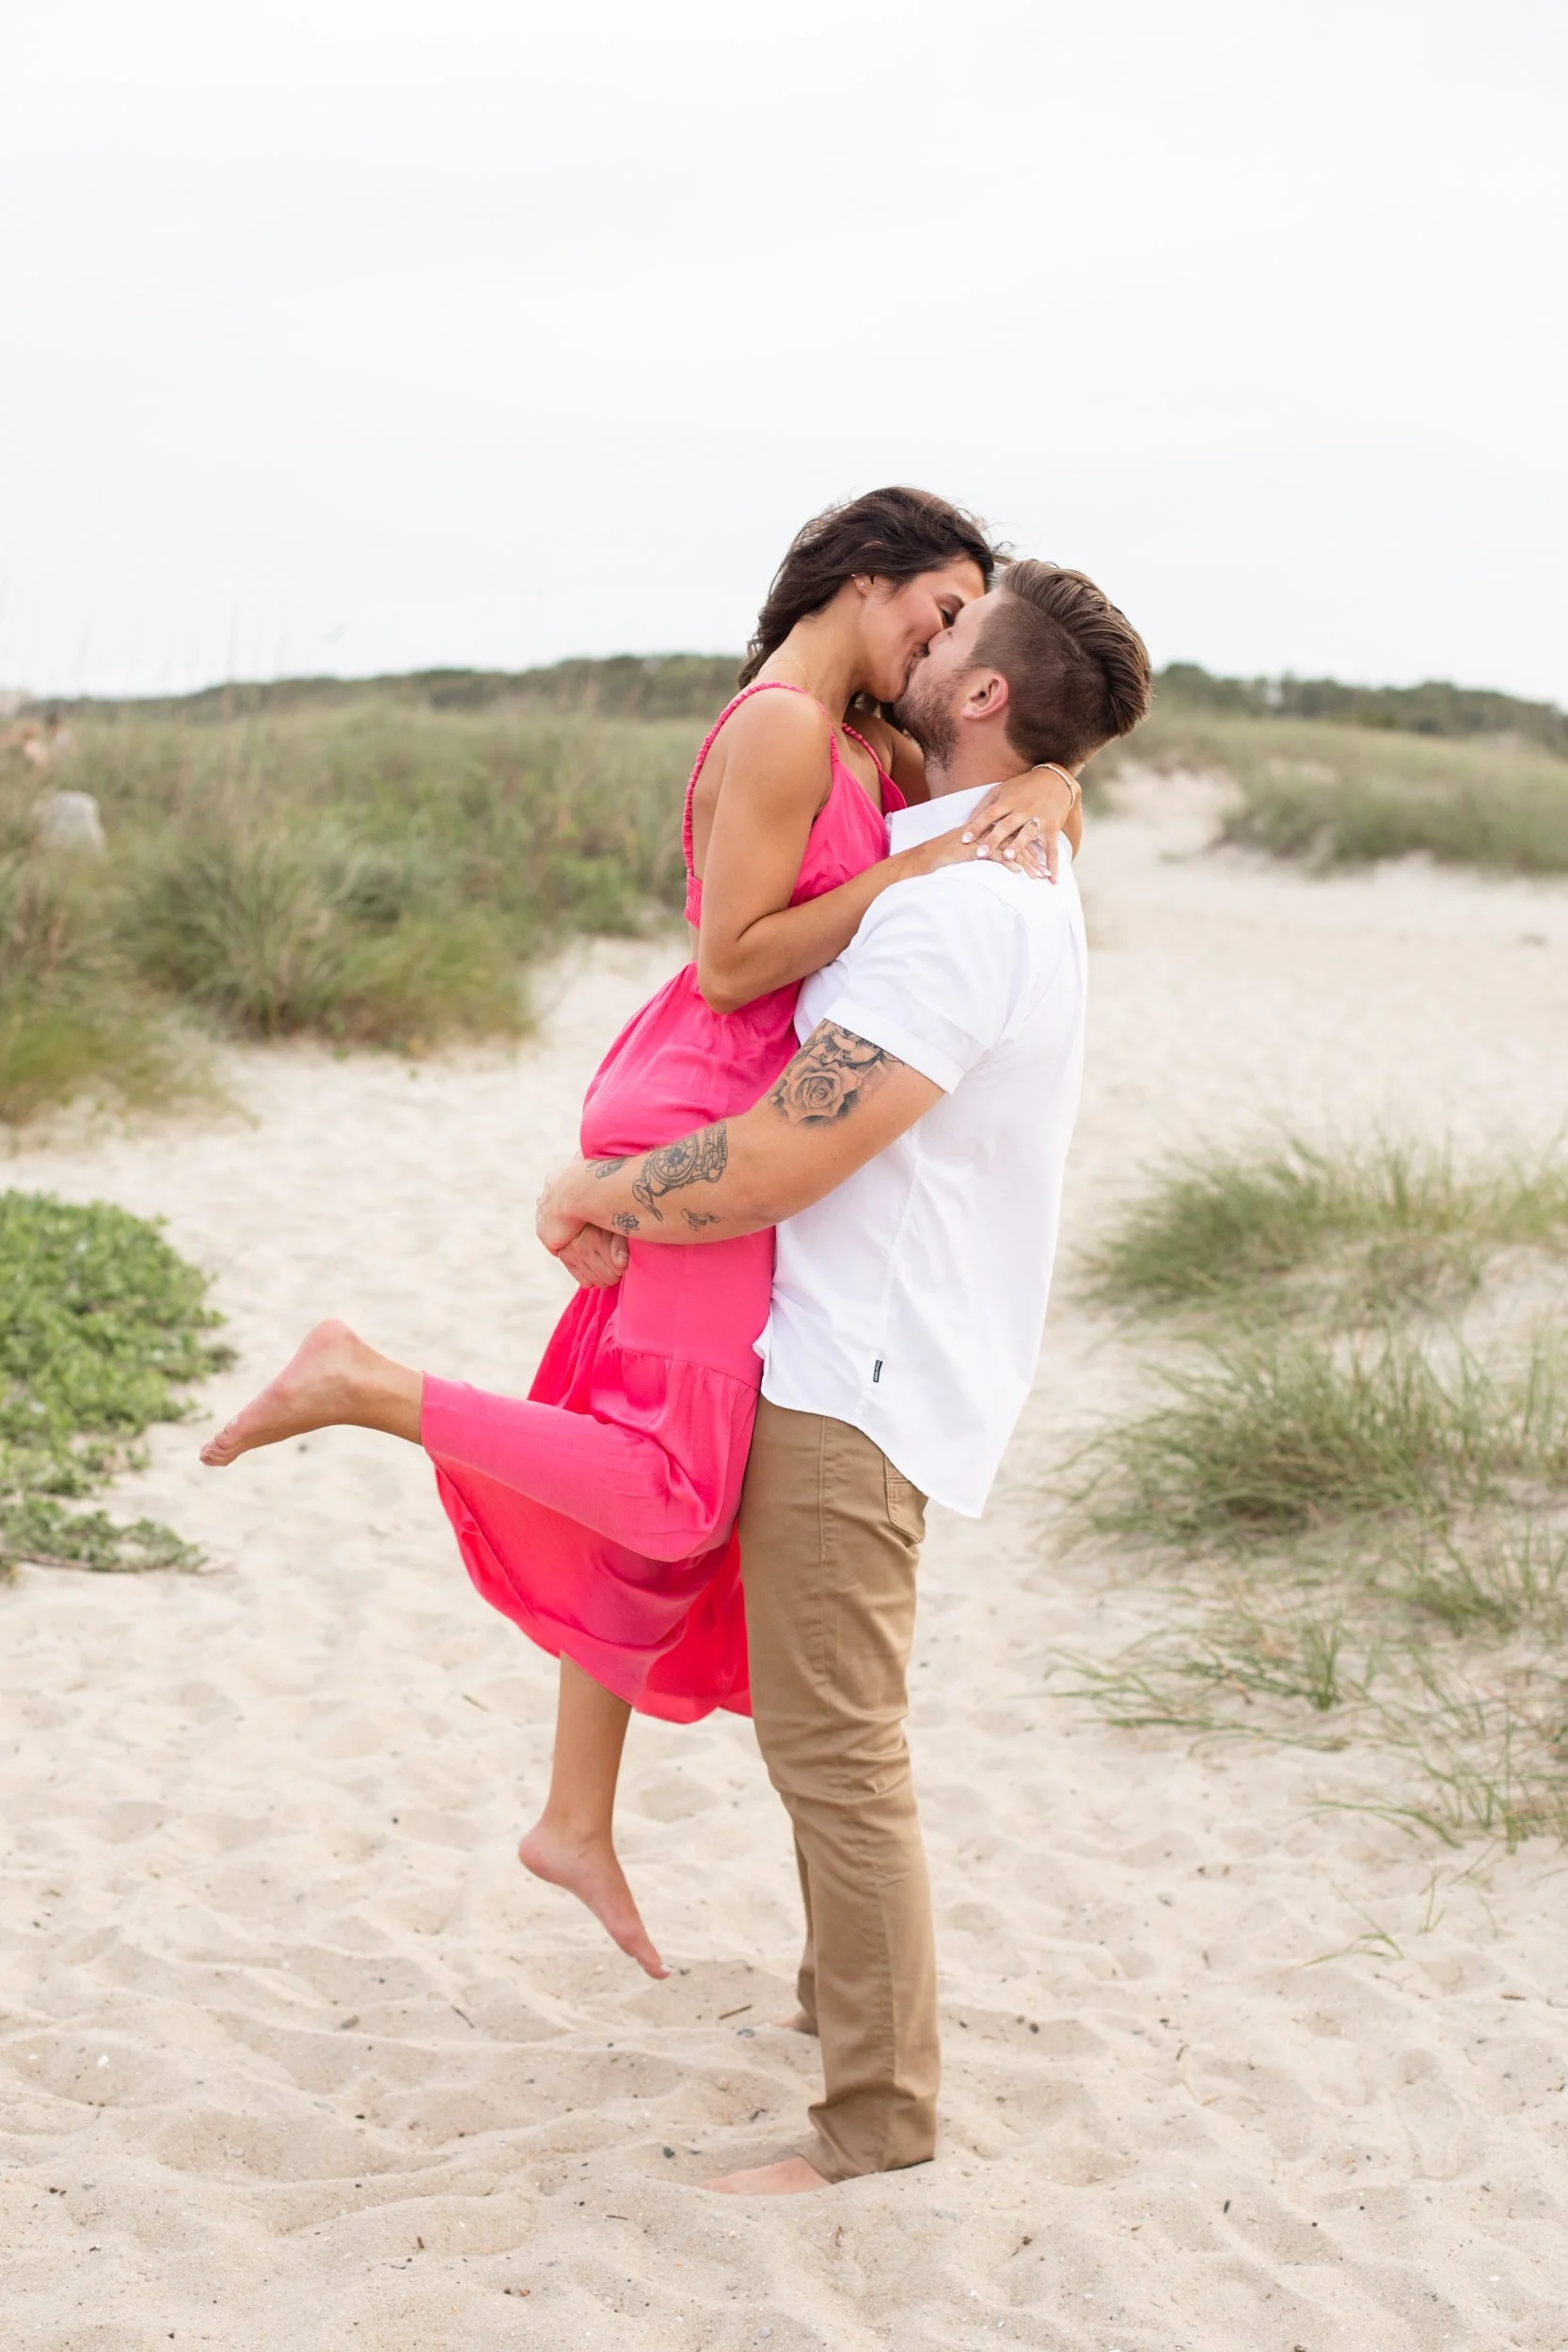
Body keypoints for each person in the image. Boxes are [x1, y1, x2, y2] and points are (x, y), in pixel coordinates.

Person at [198, 488, 1082, 1979]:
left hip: (713, 1102)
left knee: (655, 1485)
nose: (939, 643)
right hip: (709, 1098)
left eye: (960, 632)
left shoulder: (851, 726)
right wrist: (910, 879)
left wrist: (1049, 789)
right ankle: (362, 1381)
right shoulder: (786, 727)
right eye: (934, 609)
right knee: (672, 1494)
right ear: (864, 582)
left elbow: (974, 779)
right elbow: (730, 962)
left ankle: (573, 1819)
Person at [532, 557, 1153, 2192]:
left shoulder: (962, 907)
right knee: (826, 1729)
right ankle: (834, 2011)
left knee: (837, 1748)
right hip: (869, 1349)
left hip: (858, 1375)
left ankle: (876, 2127)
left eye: (950, 633)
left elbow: (796, 1151)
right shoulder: (965, 849)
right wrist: (1051, 786)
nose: (922, 642)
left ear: (982, 695)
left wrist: (598, 1196)